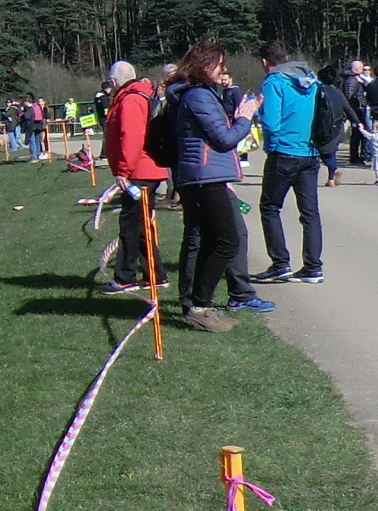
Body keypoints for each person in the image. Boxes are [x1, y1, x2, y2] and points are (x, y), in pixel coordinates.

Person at [170, 44, 270, 332]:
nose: (223, 71)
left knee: (213, 241)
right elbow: (224, 139)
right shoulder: (198, 96)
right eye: (219, 65)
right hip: (204, 177)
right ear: (204, 66)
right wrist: (245, 118)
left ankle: (199, 305)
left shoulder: (202, 94)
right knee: (227, 241)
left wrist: (238, 117)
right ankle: (200, 305)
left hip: (204, 176)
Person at [252, 43, 324, 285]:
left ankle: (280, 263)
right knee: (310, 212)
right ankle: (313, 267)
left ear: (265, 62)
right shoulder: (312, 81)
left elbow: (271, 122)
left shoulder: (274, 82)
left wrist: (271, 147)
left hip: (284, 151)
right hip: (309, 151)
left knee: (270, 207)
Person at [100, 62, 168, 295]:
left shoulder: (130, 99)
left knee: (130, 225)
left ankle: (125, 277)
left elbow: (131, 137)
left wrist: (124, 171)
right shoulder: (136, 96)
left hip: (140, 172)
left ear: (115, 81)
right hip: (143, 171)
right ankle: (155, 274)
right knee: (139, 226)